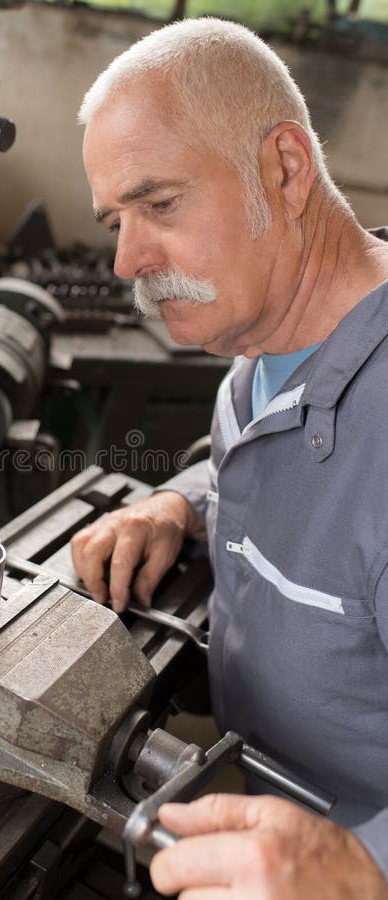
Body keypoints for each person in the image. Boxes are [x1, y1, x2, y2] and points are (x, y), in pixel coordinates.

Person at [72, 17, 388, 899]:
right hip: (263, 809)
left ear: (283, 169)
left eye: (159, 204)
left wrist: (366, 870)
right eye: (116, 221)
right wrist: (183, 503)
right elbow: (276, 466)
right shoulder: (260, 357)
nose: (128, 258)